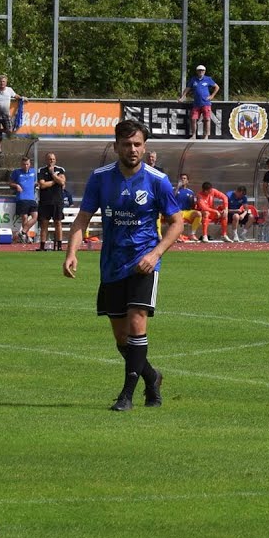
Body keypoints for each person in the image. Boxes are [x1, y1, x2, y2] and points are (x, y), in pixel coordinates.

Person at [63, 119, 183, 411]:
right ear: (116, 146)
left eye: (138, 144)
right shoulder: (100, 178)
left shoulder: (157, 180)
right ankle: (152, 377)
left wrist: (155, 255)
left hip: (144, 263)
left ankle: (126, 395)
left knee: (136, 323)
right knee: (121, 337)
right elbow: (82, 219)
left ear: (145, 146)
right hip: (112, 264)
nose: (132, 149)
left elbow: (176, 223)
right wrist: (71, 252)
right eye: (127, 144)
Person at [179, 64, 219, 140]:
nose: (201, 72)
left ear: (204, 71)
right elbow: (187, 88)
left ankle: (206, 135)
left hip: (206, 103)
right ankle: (194, 135)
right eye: (199, 70)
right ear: (197, 71)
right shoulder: (193, 79)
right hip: (196, 104)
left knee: (207, 119)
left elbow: (217, 87)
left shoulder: (208, 79)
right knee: (193, 119)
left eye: (202, 70)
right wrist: (182, 97)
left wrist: (212, 96)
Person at [36, 152, 67, 251]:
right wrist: (55, 181)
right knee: (44, 223)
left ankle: (59, 246)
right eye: (50, 159)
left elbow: (62, 182)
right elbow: (42, 185)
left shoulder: (60, 169)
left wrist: (53, 174)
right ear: (46, 160)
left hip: (57, 201)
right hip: (45, 201)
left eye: (53, 159)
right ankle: (42, 246)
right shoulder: (41, 170)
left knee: (58, 222)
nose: (51, 161)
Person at [8, 156, 38, 243]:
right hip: (22, 198)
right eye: (24, 164)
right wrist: (16, 185)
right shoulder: (16, 172)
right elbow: (10, 183)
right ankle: (26, 237)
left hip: (32, 198)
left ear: (30, 164)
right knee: (24, 218)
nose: (26, 166)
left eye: (27, 164)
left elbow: (35, 182)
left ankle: (22, 232)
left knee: (35, 217)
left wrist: (37, 184)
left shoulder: (33, 171)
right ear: (21, 165)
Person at [0, 74, 24, 155]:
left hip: (6, 114)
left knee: (10, 131)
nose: (2, 83)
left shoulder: (9, 90)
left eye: (3, 81)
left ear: (6, 82)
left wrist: (22, 98)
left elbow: (15, 96)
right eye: (0, 81)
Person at [172, 174, 202, 241]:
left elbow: (193, 205)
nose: (182, 180)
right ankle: (178, 235)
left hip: (187, 212)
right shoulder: (174, 189)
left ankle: (192, 234)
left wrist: (194, 202)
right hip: (176, 211)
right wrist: (177, 187)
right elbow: (171, 198)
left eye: (184, 178)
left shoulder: (190, 192)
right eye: (181, 178)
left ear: (187, 181)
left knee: (198, 214)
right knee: (179, 214)